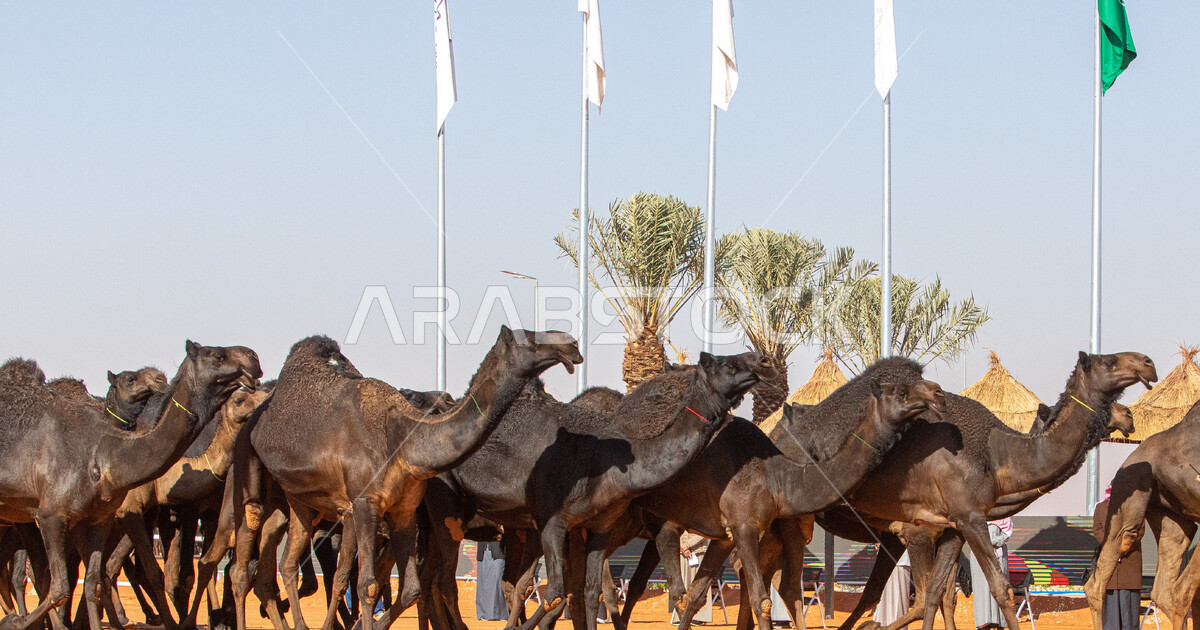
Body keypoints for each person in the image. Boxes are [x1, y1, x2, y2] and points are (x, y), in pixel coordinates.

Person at [1093, 485, 1143, 630]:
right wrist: (1111, 547)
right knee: (1110, 603)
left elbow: (1139, 530)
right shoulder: (1101, 508)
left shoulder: (1134, 507)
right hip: (1109, 562)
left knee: (1129, 609)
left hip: (1130, 561)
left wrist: (1122, 549)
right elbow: (1097, 529)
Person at [970, 517, 1013, 630]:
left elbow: (1006, 534)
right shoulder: (976, 512)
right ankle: (983, 623)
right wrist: (984, 544)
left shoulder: (1003, 514)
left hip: (997, 554)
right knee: (982, 588)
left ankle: (999, 624)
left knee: (999, 588)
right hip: (978, 552)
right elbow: (970, 532)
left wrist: (991, 543)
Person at [679, 532, 713, 624]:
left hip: (699, 552)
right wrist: (682, 546)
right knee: (683, 584)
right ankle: (681, 616)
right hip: (682, 552)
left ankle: (701, 617)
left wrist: (687, 545)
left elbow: (703, 533)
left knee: (700, 584)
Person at [874, 549, 912, 630]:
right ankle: (881, 625)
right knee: (883, 599)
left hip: (901, 562)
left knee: (899, 598)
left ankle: (898, 626)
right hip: (884, 561)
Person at [476, 541, 510, 621]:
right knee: (482, 583)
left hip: (498, 551)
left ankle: (500, 614)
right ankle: (483, 613)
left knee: (497, 582)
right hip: (483, 550)